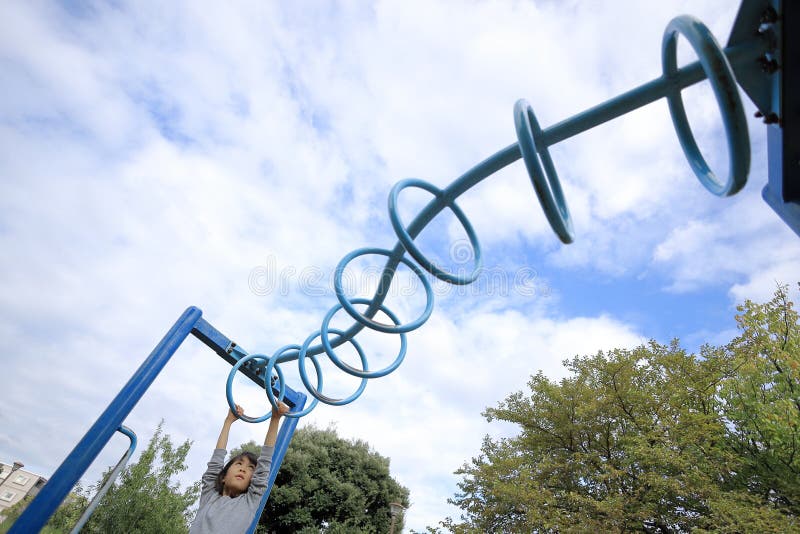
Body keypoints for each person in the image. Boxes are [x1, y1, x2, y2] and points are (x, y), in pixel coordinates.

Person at [189, 401, 290, 534]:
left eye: (250, 468)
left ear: (251, 482)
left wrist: (275, 419)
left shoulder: (249, 502)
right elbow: (216, 462)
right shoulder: (209, 496)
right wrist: (228, 421)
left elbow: (265, 461)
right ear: (223, 477)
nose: (243, 469)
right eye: (239, 464)